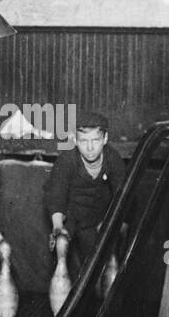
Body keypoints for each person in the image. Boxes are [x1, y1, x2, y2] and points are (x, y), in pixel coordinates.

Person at [42, 111, 130, 275]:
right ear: (75, 140)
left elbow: (124, 196)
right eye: (83, 141)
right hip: (72, 215)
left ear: (104, 139)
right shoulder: (66, 161)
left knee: (99, 270)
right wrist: (58, 225)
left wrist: (112, 222)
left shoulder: (113, 159)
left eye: (95, 140)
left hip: (100, 216)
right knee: (60, 243)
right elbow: (56, 194)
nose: (90, 148)